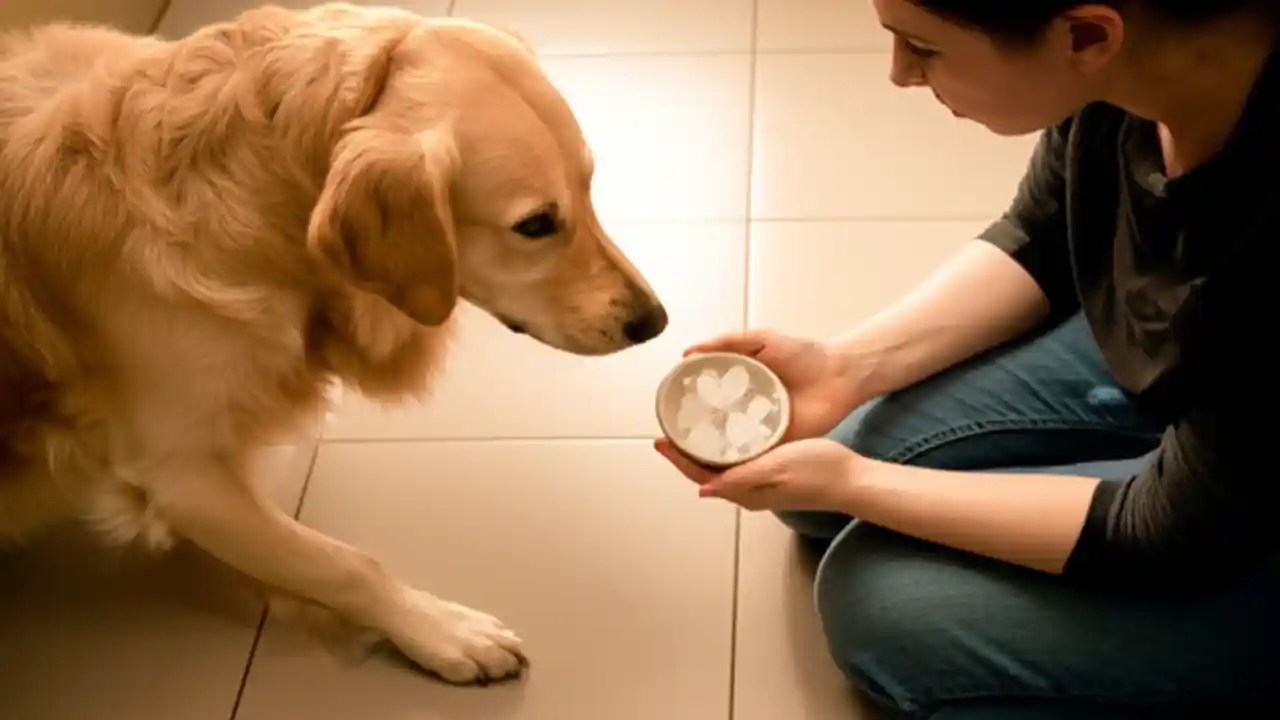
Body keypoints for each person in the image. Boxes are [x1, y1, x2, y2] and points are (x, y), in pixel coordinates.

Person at [654, 0, 1280, 717]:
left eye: (921, 47)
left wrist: (856, 485)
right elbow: (1046, 230)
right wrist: (846, 366)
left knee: (879, 603)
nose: (899, 74)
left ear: (1084, 34)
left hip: (1239, 508)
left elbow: (1163, 534)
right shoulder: (1139, 61)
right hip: (1221, 382)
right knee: (833, 450)